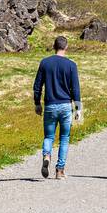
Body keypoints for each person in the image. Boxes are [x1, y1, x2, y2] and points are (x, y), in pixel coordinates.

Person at [34, 35, 82, 179]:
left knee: (49, 136)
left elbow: (37, 86)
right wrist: (78, 108)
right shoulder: (71, 65)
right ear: (66, 47)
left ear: (54, 46)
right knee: (64, 138)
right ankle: (60, 170)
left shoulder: (45, 63)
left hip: (50, 105)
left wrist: (37, 103)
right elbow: (76, 89)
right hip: (66, 106)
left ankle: (47, 155)